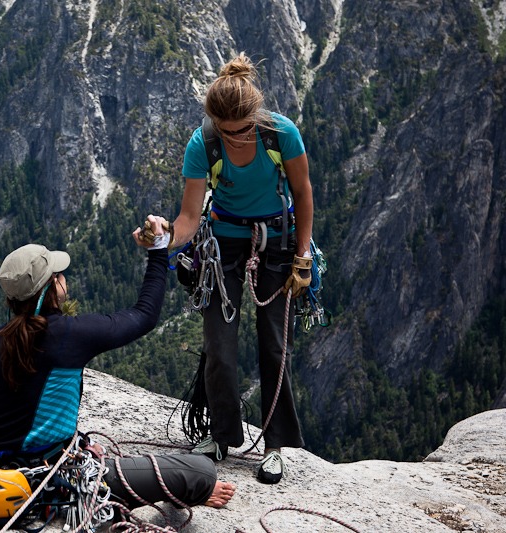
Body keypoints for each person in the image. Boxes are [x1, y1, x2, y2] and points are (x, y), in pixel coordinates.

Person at [0, 216, 235, 527]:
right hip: (58, 475)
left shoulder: (0, 339)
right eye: (58, 274)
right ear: (51, 287)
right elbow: (144, 315)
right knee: (202, 471)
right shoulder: (70, 335)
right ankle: (186, 487)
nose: (63, 277)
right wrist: (158, 249)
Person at [157, 52, 313, 484]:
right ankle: (221, 435)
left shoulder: (281, 134)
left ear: (256, 117)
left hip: (277, 240)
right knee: (219, 345)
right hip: (222, 242)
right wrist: (162, 236)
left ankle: (275, 446)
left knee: (274, 345)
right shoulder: (203, 143)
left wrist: (302, 257)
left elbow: (302, 193)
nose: (236, 138)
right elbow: (189, 218)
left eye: (244, 130)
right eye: (227, 132)